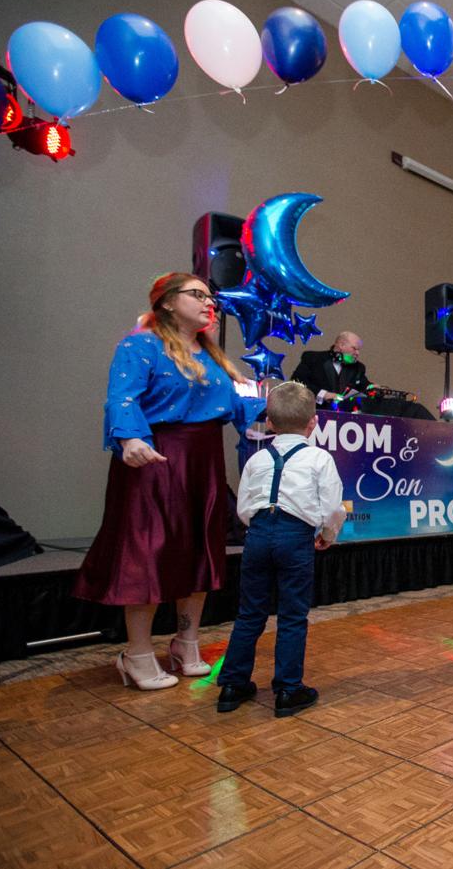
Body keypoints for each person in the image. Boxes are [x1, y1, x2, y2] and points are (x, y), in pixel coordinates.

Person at [74, 272, 264, 690]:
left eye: (211, 297)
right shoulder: (141, 344)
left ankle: (186, 642)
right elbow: (121, 396)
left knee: (200, 551)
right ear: (165, 301)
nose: (208, 302)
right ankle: (136, 654)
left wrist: (278, 412)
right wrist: (129, 437)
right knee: (146, 554)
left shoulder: (213, 356)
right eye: (197, 294)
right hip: (155, 458)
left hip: (203, 460)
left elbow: (240, 406)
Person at [217, 382, 345, 718]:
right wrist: (327, 534)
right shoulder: (319, 458)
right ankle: (288, 689)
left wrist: (260, 528)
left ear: (269, 423)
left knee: (250, 612)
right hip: (295, 537)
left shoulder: (257, 459)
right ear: (313, 422)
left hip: (258, 536)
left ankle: (233, 684)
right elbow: (332, 507)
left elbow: (244, 507)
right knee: (291, 615)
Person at [292, 331, 372, 404]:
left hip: (343, 416)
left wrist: (373, 387)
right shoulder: (313, 358)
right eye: (354, 348)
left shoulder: (358, 368)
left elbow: (364, 385)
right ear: (341, 345)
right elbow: (296, 381)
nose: (357, 353)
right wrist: (323, 394)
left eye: (358, 350)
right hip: (312, 411)